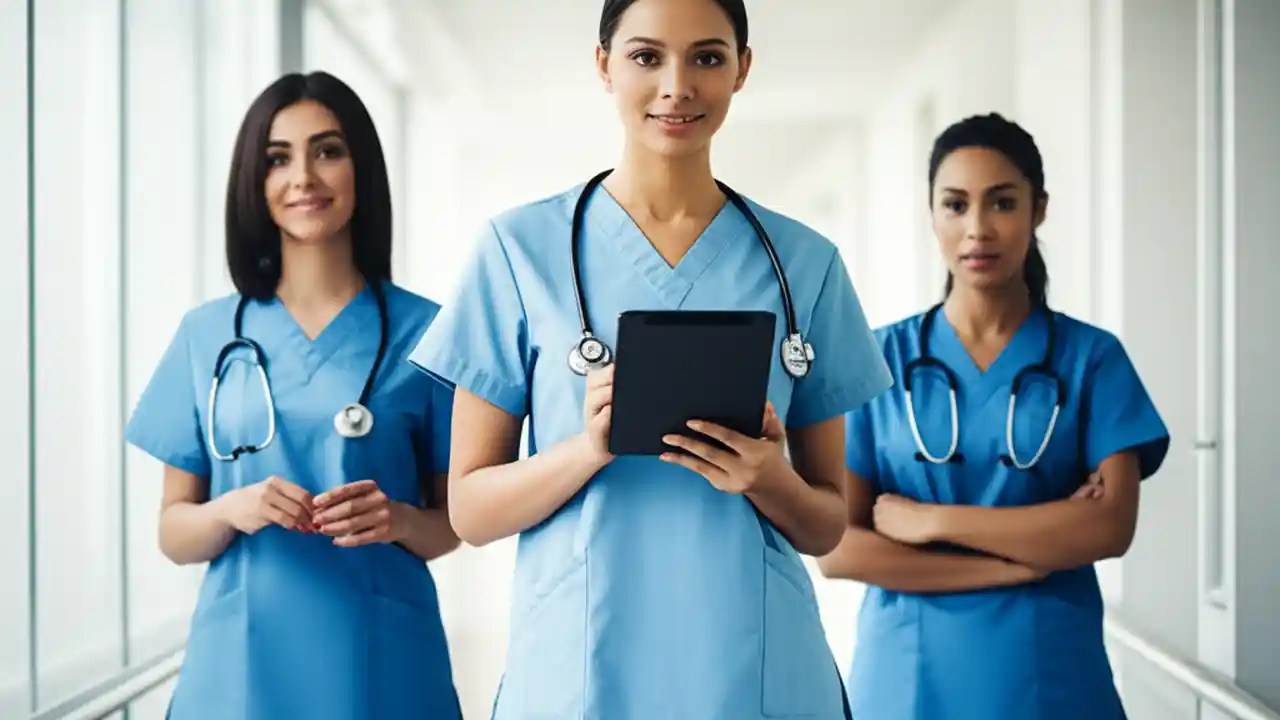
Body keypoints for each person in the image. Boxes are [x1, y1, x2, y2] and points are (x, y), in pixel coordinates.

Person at [408, 0, 890, 717]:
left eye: (707, 57)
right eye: (645, 57)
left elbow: (826, 526)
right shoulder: (518, 252)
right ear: (603, 65)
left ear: (742, 69)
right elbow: (471, 511)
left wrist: (768, 477)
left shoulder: (805, 264)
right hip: (580, 672)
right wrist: (586, 449)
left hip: (756, 672)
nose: (676, 85)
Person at [125, 71, 462, 719]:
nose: (303, 176)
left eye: (328, 151)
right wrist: (231, 508)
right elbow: (174, 531)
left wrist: (398, 520)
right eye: (278, 158)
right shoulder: (208, 336)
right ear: (255, 182)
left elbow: (453, 522)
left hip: (381, 658)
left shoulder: (427, 334)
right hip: (242, 666)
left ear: (361, 168)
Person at [817, 112, 1170, 719]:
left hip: (1051, 675)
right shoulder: (877, 360)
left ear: (1039, 209)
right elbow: (839, 548)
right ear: (932, 215)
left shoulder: (1091, 360)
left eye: (1002, 203)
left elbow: (1109, 528)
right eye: (955, 205)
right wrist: (1015, 566)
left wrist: (930, 520)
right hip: (909, 683)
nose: (977, 228)